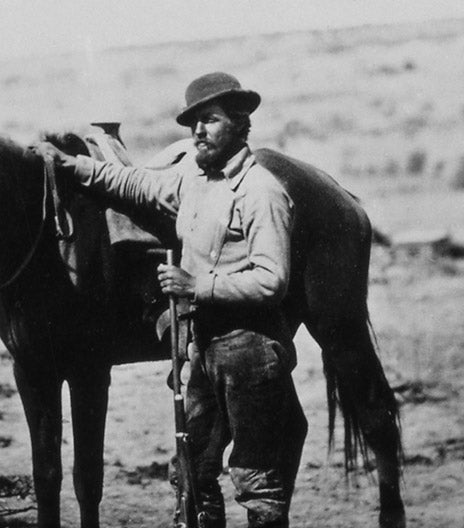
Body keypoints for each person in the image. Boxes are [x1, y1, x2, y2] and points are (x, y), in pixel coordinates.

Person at [33, 72, 307, 528]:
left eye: (211, 119)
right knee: (192, 473)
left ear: (240, 125)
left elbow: (271, 281)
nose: (198, 130)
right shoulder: (191, 179)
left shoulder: (263, 192)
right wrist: (69, 164)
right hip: (201, 348)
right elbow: (133, 183)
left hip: (251, 351)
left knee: (257, 481)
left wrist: (196, 286)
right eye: (194, 121)